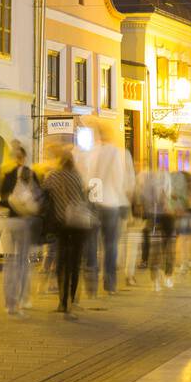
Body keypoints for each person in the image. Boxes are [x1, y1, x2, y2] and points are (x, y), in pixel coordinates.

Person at [80, 122, 135, 295]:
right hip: (111, 203)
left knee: (92, 243)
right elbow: (121, 180)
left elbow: (87, 178)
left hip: (94, 202)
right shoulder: (118, 153)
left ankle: (92, 284)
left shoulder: (92, 152)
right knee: (110, 245)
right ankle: (110, 284)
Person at [44, 144, 93, 317]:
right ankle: (71, 301)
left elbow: (44, 196)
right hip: (80, 225)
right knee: (75, 265)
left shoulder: (53, 176)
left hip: (62, 225)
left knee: (62, 263)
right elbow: (84, 197)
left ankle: (62, 302)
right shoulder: (77, 176)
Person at [0, 142, 41, 317]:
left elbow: (2, 199)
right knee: (23, 262)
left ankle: (9, 302)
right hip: (24, 222)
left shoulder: (7, 175)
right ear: (24, 157)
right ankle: (23, 298)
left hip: (9, 222)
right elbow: (39, 199)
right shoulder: (30, 175)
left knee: (9, 263)